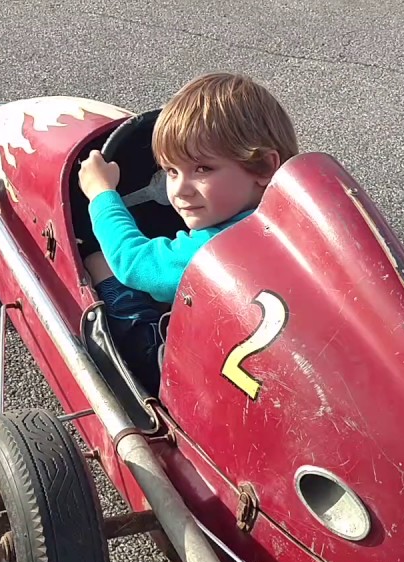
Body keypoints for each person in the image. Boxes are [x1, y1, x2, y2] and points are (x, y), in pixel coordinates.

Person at [77, 72, 299, 391]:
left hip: (194, 376)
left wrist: (101, 195)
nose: (180, 190)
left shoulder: (218, 247)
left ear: (264, 168)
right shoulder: (297, 215)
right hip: (280, 352)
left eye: (202, 169)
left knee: (100, 261)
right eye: (170, 171)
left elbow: (134, 263)